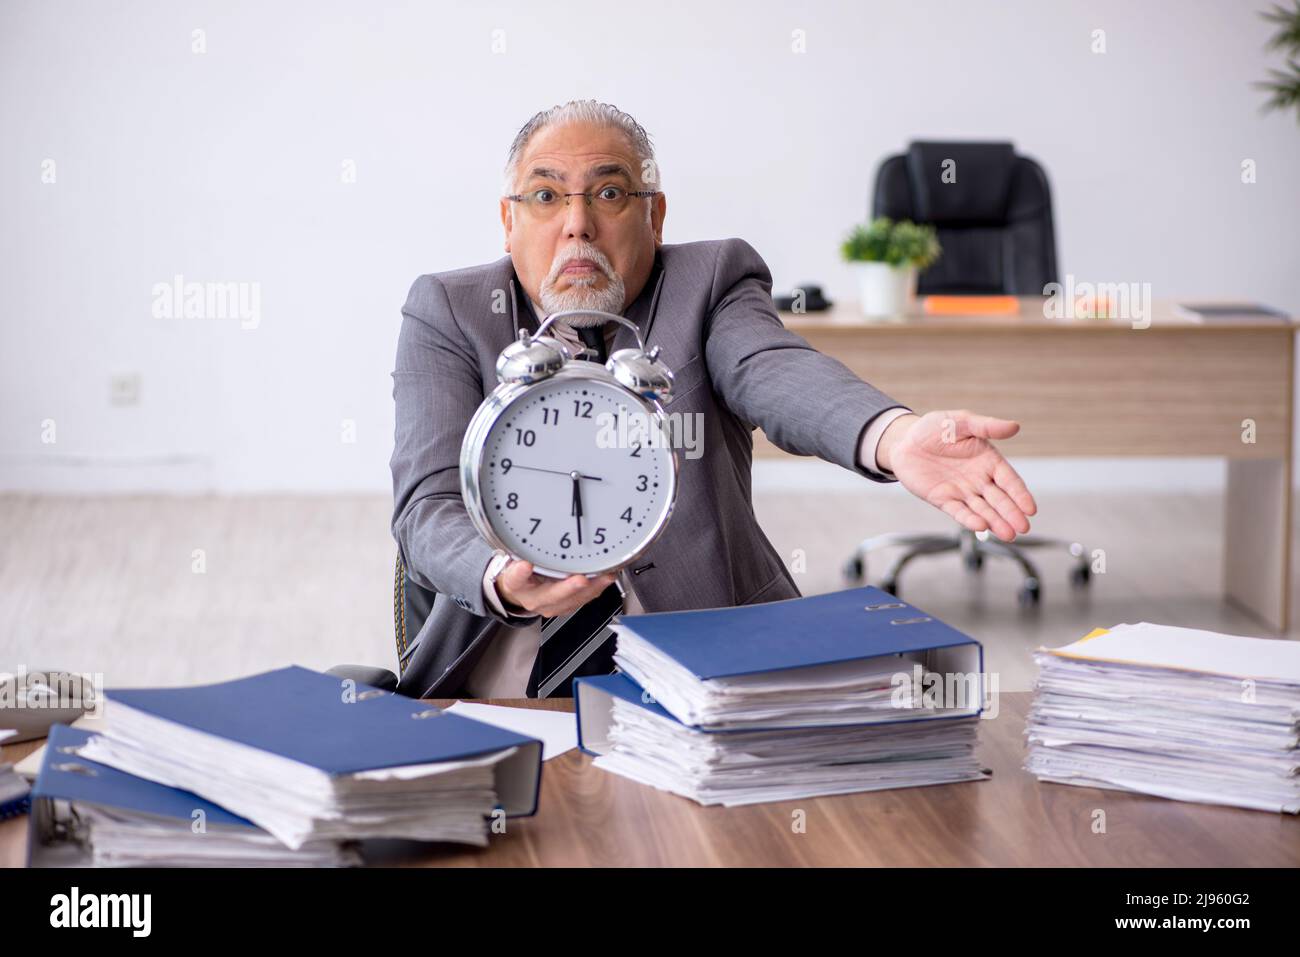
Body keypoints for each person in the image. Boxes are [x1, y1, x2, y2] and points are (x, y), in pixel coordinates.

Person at [390, 100, 1036, 698]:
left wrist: (891, 436)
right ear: (509, 219)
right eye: (545, 196)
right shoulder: (449, 311)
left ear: (655, 214)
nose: (577, 224)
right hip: (499, 680)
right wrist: (499, 577)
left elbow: (775, 369)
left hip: (708, 677)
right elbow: (428, 503)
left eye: (609, 193)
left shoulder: (709, 282)